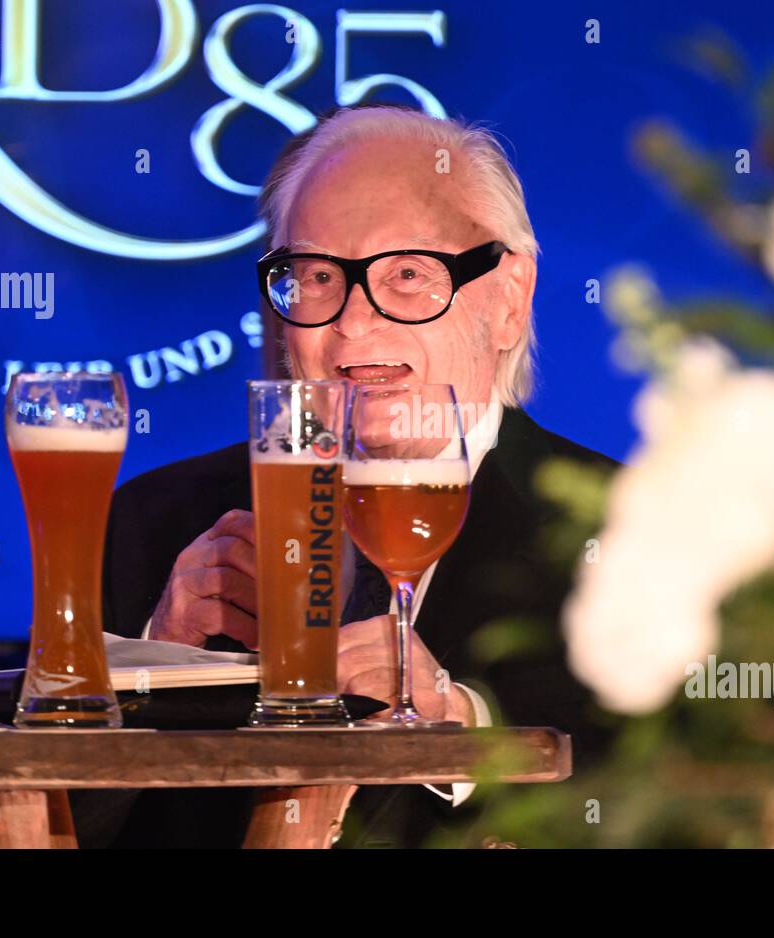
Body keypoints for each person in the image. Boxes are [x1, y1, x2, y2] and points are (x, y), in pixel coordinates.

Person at [87, 104, 617, 848]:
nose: (353, 324)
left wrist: (464, 733)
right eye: (314, 276)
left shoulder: (632, 530)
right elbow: (16, 821)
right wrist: (147, 674)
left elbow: (692, 804)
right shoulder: (152, 525)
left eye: (406, 273)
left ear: (509, 298)